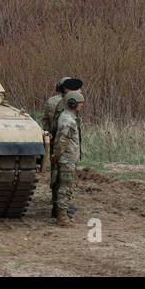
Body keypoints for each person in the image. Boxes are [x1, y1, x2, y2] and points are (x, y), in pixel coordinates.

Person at [44, 76, 82, 218]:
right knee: (63, 179)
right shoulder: (63, 104)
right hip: (63, 143)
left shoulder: (54, 101)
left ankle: (59, 205)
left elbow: (46, 123)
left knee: (59, 177)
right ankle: (61, 209)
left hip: (58, 140)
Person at [53, 90, 85, 226]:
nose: (82, 106)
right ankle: (62, 218)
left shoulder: (66, 117)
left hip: (67, 158)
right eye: (80, 104)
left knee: (65, 187)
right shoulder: (68, 121)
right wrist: (57, 156)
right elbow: (62, 141)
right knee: (65, 188)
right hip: (67, 159)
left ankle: (63, 215)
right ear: (73, 104)